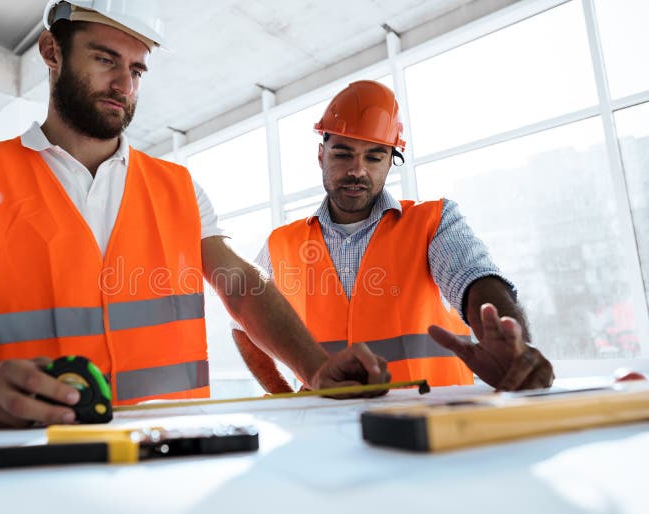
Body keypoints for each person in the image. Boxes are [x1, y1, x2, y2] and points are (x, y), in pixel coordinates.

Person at [0, 1, 391, 430]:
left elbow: (240, 286)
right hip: (35, 448)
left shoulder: (178, 186)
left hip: (172, 451)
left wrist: (313, 366)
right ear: (52, 51)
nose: (123, 84)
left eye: (136, 70)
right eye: (104, 59)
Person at [232, 80, 554, 393]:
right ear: (321, 155)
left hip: (431, 427)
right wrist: (281, 393)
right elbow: (243, 326)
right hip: (326, 434)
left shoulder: (432, 222)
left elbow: (475, 279)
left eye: (374, 157)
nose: (357, 170)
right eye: (342, 154)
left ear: (390, 162)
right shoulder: (280, 244)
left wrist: (508, 340)